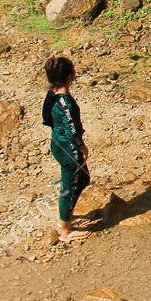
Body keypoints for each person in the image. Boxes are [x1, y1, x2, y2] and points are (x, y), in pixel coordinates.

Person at [42, 56, 90, 243]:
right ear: (70, 75)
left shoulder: (51, 94)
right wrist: (81, 146)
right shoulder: (66, 102)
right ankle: (65, 230)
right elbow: (72, 128)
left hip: (57, 143)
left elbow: (47, 118)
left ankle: (66, 214)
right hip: (69, 149)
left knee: (84, 178)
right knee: (69, 187)